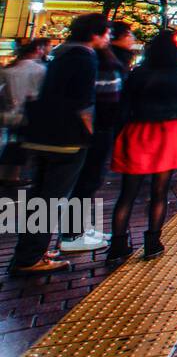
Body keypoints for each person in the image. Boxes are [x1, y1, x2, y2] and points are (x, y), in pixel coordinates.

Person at [8, 15, 109, 276]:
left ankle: (30, 250)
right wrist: (90, 134)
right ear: (95, 35)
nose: (107, 38)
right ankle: (30, 257)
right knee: (52, 197)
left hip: (42, 135)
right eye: (105, 33)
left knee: (40, 196)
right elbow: (83, 104)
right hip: (67, 138)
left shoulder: (59, 56)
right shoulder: (86, 59)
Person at [105, 33, 177, 262]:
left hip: (138, 130)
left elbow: (123, 109)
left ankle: (117, 246)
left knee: (127, 193)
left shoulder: (136, 75)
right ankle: (153, 242)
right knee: (160, 192)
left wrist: (119, 134)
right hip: (169, 132)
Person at [58, 28, 127, 253]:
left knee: (85, 182)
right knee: (86, 181)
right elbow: (99, 100)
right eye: (105, 33)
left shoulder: (72, 56)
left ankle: (77, 230)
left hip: (91, 130)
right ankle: (71, 234)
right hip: (95, 131)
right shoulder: (96, 60)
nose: (106, 38)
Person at [0, 38, 51, 187]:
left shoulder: (9, 69)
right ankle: (13, 176)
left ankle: (5, 174)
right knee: (19, 144)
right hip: (27, 111)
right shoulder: (41, 70)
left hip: (8, 111)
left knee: (10, 142)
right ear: (37, 50)